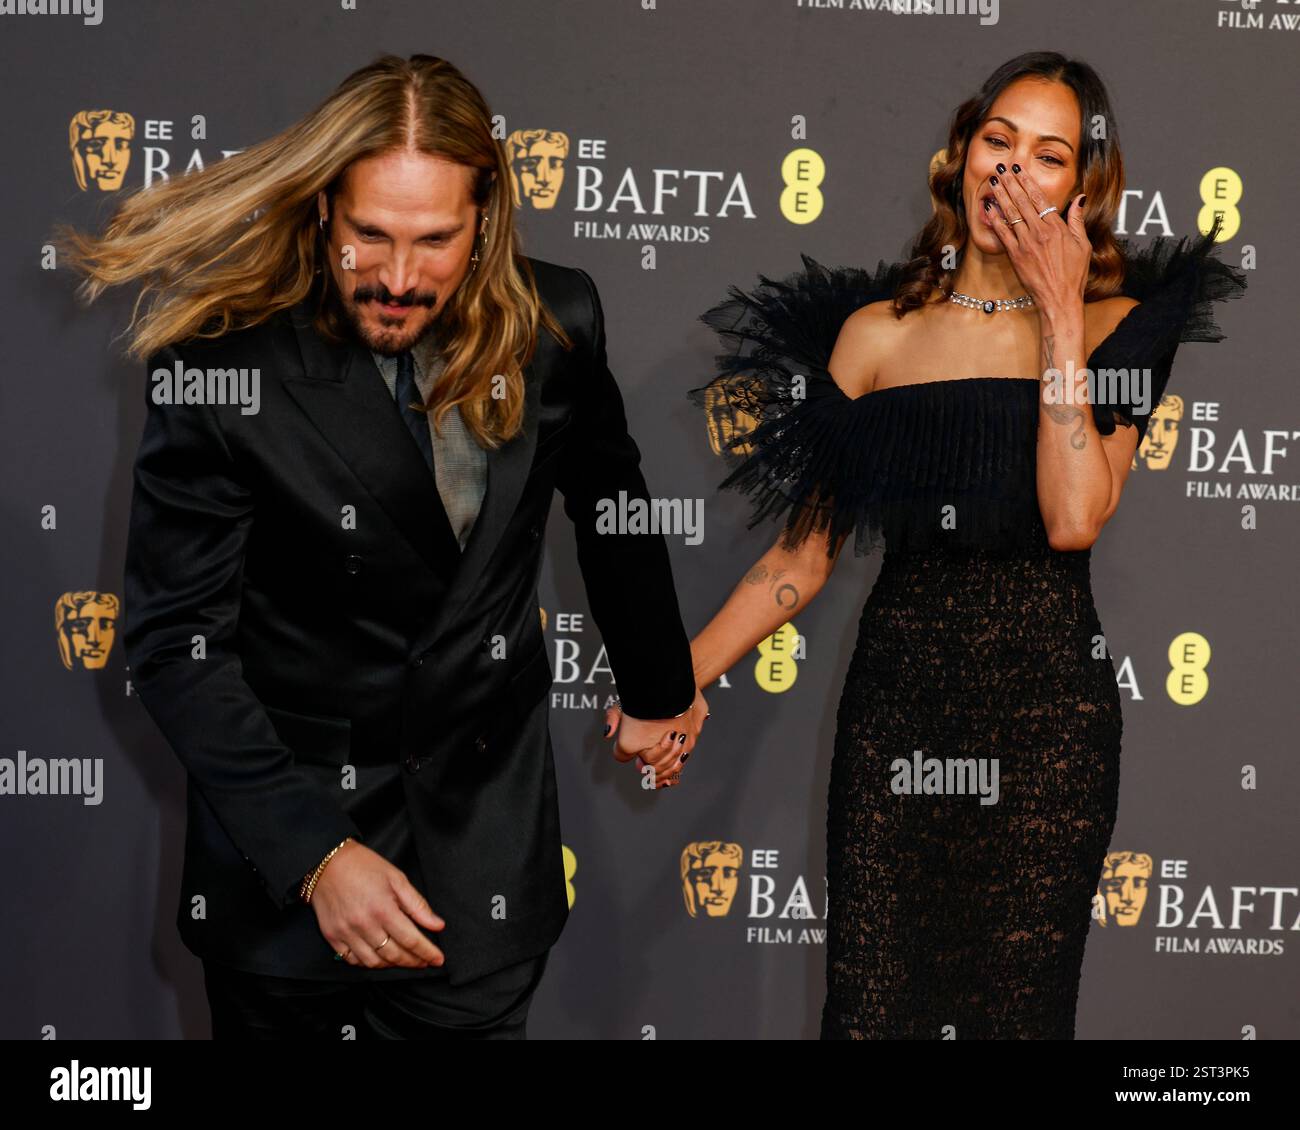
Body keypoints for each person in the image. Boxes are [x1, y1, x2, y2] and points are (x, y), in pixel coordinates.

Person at [53, 53, 706, 1039]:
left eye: (435, 240)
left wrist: (659, 685)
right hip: (288, 863)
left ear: (484, 216)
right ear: (323, 209)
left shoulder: (553, 321)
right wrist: (318, 856)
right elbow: (178, 645)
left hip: (479, 855)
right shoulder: (227, 362)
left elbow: (611, 503)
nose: (399, 279)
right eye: (370, 235)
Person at [677, 52, 1246, 1038]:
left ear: (1082, 186)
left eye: (1049, 155)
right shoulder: (871, 339)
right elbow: (797, 559)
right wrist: (675, 680)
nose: (1013, 170)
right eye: (997, 140)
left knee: (1014, 1015)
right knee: (870, 1009)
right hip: (896, 714)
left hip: (1044, 729)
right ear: (960, 153)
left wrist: (1059, 313)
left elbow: (1073, 516)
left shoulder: (1119, 326)